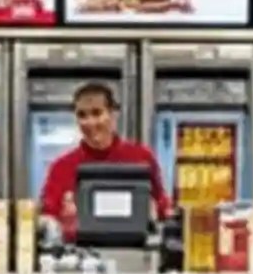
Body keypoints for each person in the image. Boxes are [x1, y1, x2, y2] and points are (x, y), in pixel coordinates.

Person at [39, 82, 172, 240]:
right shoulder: (61, 167)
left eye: (97, 113)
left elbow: (164, 211)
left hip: (134, 255)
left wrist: (154, 211)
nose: (90, 122)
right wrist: (60, 221)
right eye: (82, 115)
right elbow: (47, 220)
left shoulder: (141, 157)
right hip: (81, 257)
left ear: (112, 114)